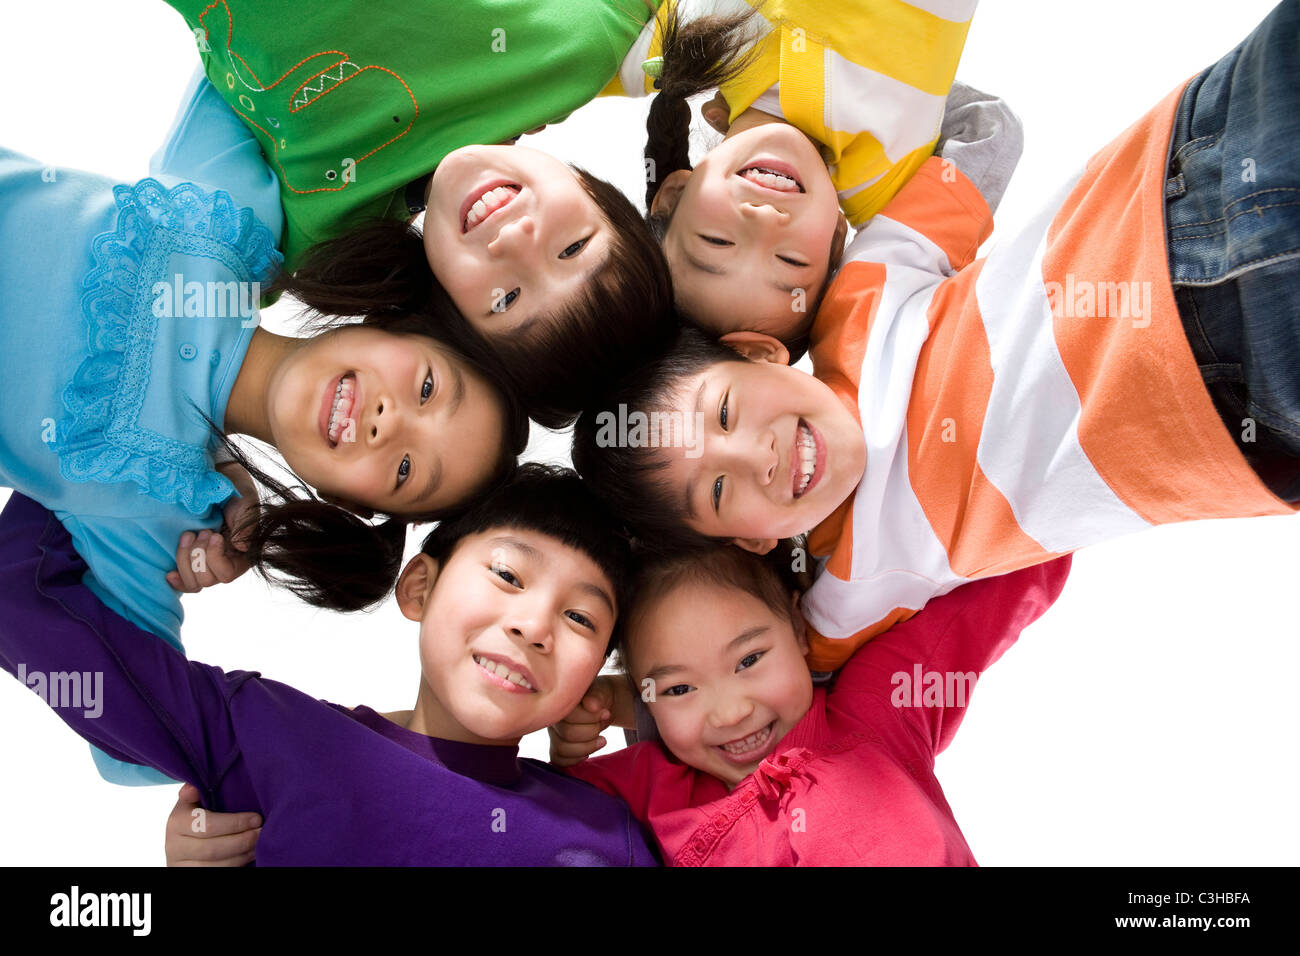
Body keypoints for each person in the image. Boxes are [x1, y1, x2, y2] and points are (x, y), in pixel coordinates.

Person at [573, 1, 1300, 670]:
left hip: (1182, 186)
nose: (753, 453)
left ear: (759, 353)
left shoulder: (858, 300)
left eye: (725, 413)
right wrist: (618, 701)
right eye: (722, 488)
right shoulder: (846, 594)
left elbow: (986, 134)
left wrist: (829, 133)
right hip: (1242, 402)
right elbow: (759, 681)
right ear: (755, 540)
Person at [0, 71, 528, 783]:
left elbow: (132, 748)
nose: (388, 423)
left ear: (351, 504)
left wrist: (389, 744)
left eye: (406, 471)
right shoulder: (234, 222)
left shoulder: (159, 510)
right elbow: (248, 42)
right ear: (398, 326)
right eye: (429, 387)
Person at [163, 542, 1070, 866]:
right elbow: (448, 809)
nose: (727, 712)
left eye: (751, 657)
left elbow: (1023, 560)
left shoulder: (873, 716)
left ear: (800, 631)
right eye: (676, 688)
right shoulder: (635, 794)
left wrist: (852, 564)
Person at [0, 466, 659, 865]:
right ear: (419, 587)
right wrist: (171, 450)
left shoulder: (614, 831)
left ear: (597, 668)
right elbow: (21, 605)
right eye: (509, 574)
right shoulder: (267, 736)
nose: (535, 625)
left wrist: (642, 707)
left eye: (581, 619)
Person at [160, 0, 679, 426]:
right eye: (573, 248)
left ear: (445, 314)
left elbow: (165, 230)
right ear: (596, 192)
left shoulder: (315, 240)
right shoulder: (576, 50)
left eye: (506, 300)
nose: (516, 241)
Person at [626, 0, 977, 347]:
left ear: (673, 195)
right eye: (791, 260)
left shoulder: (664, 48)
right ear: (836, 241)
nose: (764, 218)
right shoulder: (882, 176)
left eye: (716, 241)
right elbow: (985, 128)